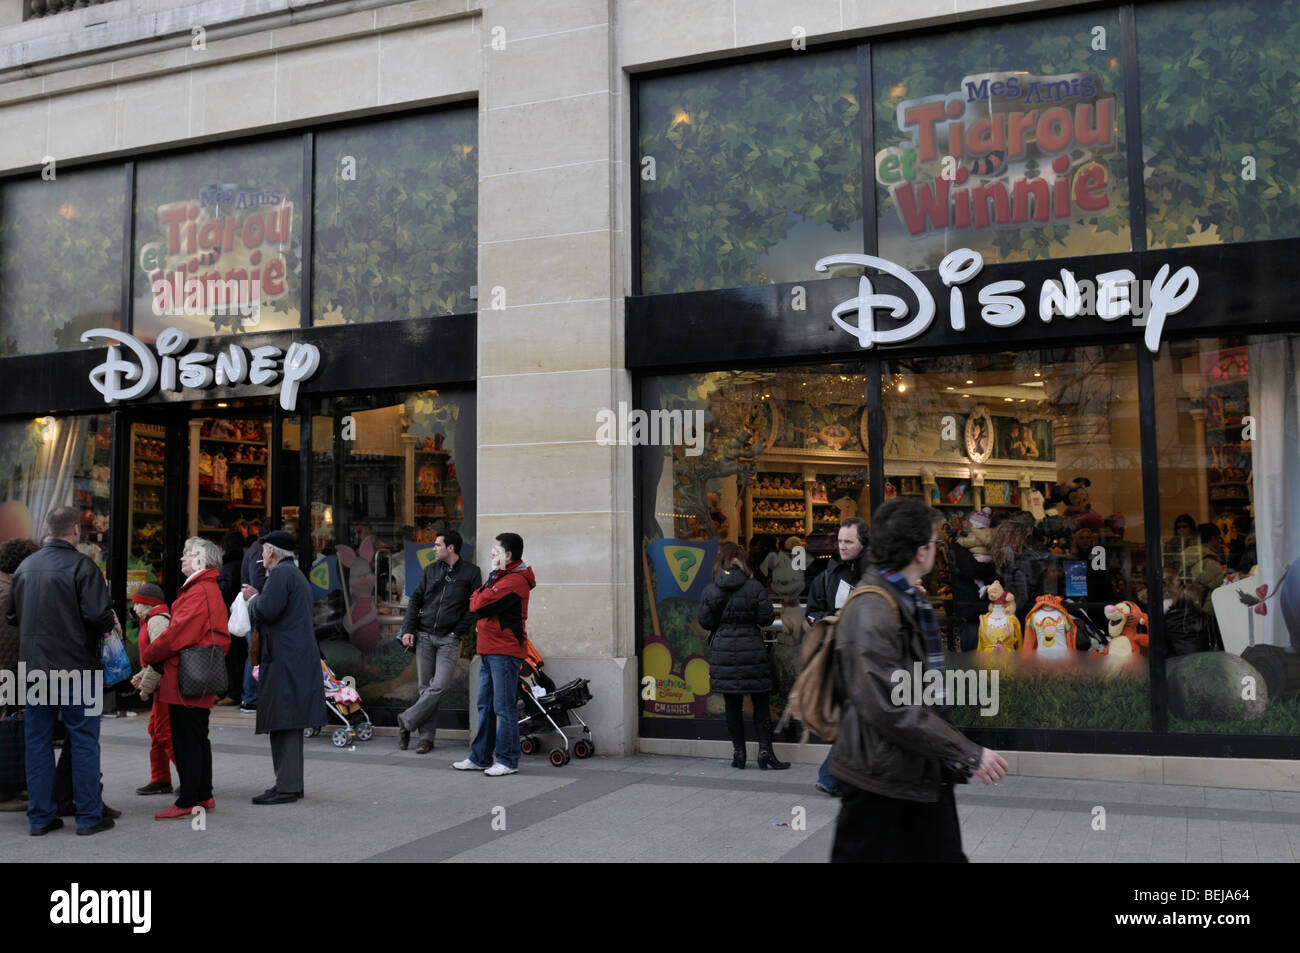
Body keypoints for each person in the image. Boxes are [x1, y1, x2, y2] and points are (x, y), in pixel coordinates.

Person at [829, 498, 1007, 862]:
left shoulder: (907, 599)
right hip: (878, 779)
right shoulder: (873, 609)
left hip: (918, 769)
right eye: (935, 542)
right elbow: (892, 706)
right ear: (921, 551)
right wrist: (969, 752)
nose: (937, 550)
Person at [6, 506, 118, 836]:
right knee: (84, 741)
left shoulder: (26, 567)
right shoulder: (83, 566)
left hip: (34, 670)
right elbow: (99, 616)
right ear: (75, 532)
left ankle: (40, 818)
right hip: (77, 669)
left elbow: (12, 617)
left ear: (48, 530)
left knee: (37, 742)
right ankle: (88, 817)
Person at [140, 538, 230, 819]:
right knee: (197, 736)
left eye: (188, 554)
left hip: (186, 676)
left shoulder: (198, 590)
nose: (182, 559)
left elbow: (177, 634)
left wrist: (150, 654)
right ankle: (203, 794)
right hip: (196, 673)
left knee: (187, 738)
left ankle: (190, 799)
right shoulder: (204, 588)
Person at [242, 530, 329, 804]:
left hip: (286, 659)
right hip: (291, 658)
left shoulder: (281, 575)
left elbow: (268, 609)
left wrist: (253, 599)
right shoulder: (292, 574)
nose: (261, 557)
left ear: (271, 552)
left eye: (264, 551)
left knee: (286, 721)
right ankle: (287, 783)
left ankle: (288, 787)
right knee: (284, 722)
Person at [453, 533, 536, 776]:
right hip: (489, 649)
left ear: (508, 555)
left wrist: (482, 595)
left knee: (503, 707)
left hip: (504, 651)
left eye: (496, 549)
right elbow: (475, 599)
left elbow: (478, 605)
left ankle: (508, 760)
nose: (492, 553)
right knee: (485, 706)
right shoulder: (498, 577)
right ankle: (480, 757)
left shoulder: (515, 581)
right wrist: (484, 591)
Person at [697, 543, 784, 770]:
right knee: (761, 704)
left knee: (732, 705)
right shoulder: (754, 587)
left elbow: (705, 622)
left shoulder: (711, 590)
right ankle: (765, 752)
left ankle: (739, 755)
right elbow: (766, 618)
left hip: (724, 654)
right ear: (742, 562)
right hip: (752, 652)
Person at [397, 530, 480, 753]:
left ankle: (407, 719)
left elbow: (474, 607)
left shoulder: (471, 573)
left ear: (450, 548)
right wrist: (408, 629)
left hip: (448, 639)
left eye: (437, 545)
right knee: (426, 688)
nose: (433, 548)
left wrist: (456, 633)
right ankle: (426, 739)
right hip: (423, 635)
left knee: (439, 686)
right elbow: (415, 600)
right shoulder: (431, 570)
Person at [804, 517, 867, 795]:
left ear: (862, 543)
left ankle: (836, 776)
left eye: (848, 541)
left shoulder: (875, 575)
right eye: (840, 541)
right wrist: (829, 621)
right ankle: (832, 775)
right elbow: (812, 612)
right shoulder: (826, 576)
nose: (842, 546)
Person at [0, 537, 39, 812]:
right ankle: (6, 791)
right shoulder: (11, 590)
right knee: (9, 729)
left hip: (8, 668)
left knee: (10, 726)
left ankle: (13, 786)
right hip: (9, 669)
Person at [128, 583, 176, 796]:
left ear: (149, 603)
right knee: (156, 730)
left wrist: (145, 686)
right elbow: (152, 659)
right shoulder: (151, 620)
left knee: (164, 732)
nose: (134, 607)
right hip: (160, 684)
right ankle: (160, 779)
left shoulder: (156, 621)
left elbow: (159, 657)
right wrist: (141, 676)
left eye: (137, 603)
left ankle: (190, 777)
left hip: (164, 686)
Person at [238, 528, 269, 713]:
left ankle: (251, 697)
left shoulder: (254, 549)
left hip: (254, 605)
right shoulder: (259, 550)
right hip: (256, 607)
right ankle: (251, 698)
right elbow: (257, 583)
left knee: (254, 650)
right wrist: (262, 598)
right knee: (255, 650)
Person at [217, 530, 246, 706]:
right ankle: (232, 691)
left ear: (223, 548)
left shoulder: (228, 566)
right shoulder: (240, 563)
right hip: (235, 615)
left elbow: (223, 589)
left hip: (228, 616)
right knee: (236, 655)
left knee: (230, 656)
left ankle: (232, 692)